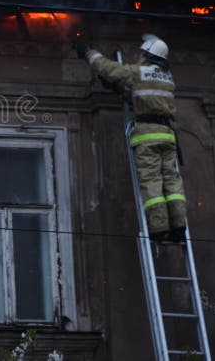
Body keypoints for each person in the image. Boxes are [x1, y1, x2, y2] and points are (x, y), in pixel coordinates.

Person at [76, 34, 187, 243]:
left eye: (143, 52)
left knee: (152, 182)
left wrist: (88, 52)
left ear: (149, 55)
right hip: (168, 136)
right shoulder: (168, 78)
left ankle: (159, 230)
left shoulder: (138, 72)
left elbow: (108, 69)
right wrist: (125, 91)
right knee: (172, 183)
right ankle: (179, 226)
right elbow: (146, 96)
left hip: (148, 136)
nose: (140, 55)